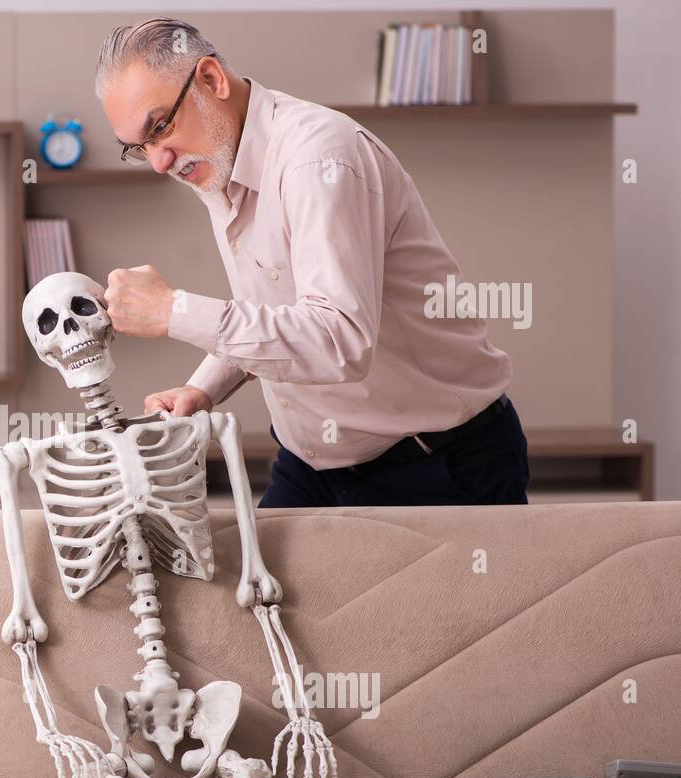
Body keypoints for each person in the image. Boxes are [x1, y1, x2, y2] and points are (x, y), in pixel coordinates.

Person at [95, 18, 530, 507]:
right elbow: (274, 308)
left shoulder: (318, 160)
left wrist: (172, 311)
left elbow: (337, 340)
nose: (159, 161)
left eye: (160, 127)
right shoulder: (218, 162)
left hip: (435, 461)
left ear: (212, 80)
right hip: (310, 464)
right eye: (140, 147)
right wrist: (203, 390)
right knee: (248, 561)